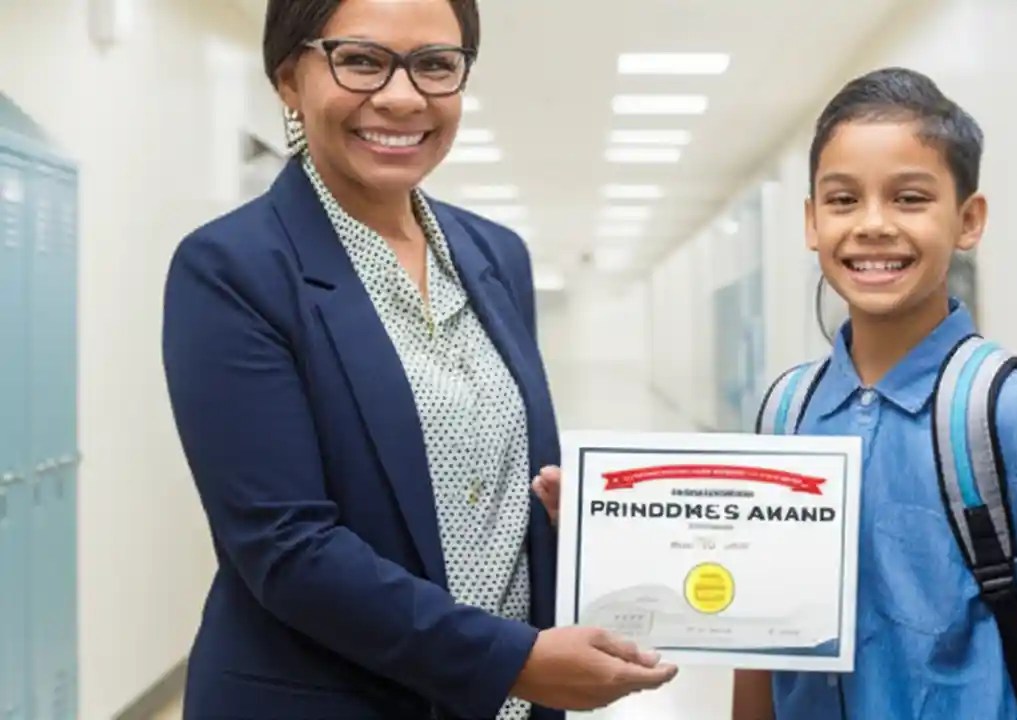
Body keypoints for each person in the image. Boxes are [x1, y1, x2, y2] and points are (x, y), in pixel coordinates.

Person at [538, 67, 1017, 719]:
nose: (873, 225)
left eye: (910, 198)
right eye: (843, 199)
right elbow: (758, 629)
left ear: (969, 220)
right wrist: (616, 538)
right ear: (810, 222)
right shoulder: (788, 411)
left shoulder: (1011, 420)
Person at [160, 1, 675, 718]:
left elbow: (505, 489)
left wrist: (591, 519)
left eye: (436, 65)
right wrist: (511, 662)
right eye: (361, 60)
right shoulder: (233, 269)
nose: (403, 97)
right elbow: (285, 546)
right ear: (288, 80)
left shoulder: (496, 255)